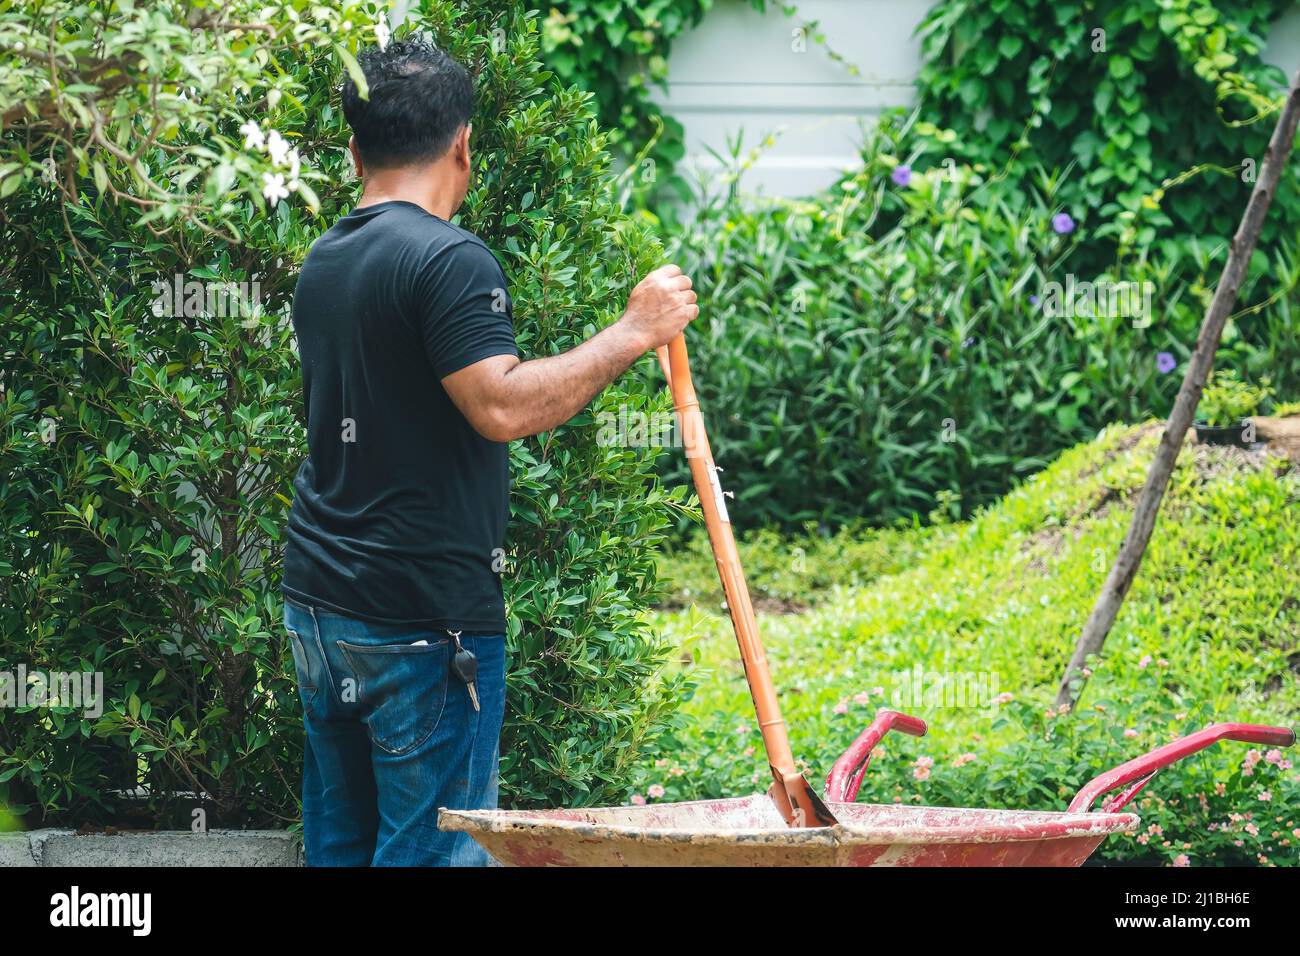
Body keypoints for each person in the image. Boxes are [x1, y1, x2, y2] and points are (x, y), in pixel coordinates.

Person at [280, 36, 697, 866]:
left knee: (339, 846)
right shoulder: (448, 259)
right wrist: (633, 331)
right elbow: (500, 406)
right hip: (420, 622)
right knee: (435, 852)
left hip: (320, 607)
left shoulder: (324, 258)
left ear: (356, 149)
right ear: (463, 142)